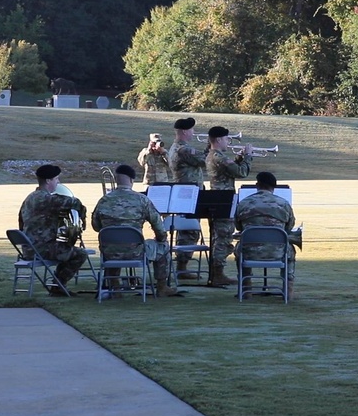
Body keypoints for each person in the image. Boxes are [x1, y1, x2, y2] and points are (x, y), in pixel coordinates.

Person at [91, 164, 179, 297]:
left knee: (115, 246)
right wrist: (161, 239)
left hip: (109, 252)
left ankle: (114, 286)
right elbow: (159, 227)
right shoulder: (142, 200)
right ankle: (162, 287)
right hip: (136, 252)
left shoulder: (104, 201)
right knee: (163, 247)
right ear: (132, 180)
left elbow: (96, 226)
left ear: (116, 180)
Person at [18, 164, 90, 296]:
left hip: (29, 248)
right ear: (48, 181)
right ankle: (58, 285)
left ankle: (57, 284)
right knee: (80, 254)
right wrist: (82, 215)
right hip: (42, 249)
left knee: (67, 248)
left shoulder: (30, 198)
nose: (58, 182)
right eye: (56, 179)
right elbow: (74, 202)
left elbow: (21, 223)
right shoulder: (46, 199)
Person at [235, 171, 297, 298]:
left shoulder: (244, 203)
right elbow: (289, 228)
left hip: (249, 252)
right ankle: (288, 288)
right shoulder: (283, 204)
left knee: (238, 248)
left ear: (257, 185)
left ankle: (246, 287)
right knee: (291, 250)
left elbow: (238, 226)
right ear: (274, 187)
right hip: (278, 252)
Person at [205, 126, 253, 286]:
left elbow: (231, 171)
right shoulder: (219, 157)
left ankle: (217, 273)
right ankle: (218, 274)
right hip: (223, 200)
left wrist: (238, 158)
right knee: (223, 238)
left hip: (220, 198)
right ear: (218, 140)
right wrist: (247, 157)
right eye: (226, 139)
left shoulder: (214, 156)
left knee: (221, 236)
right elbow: (241, 173)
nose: (228, 142)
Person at [167, 117, 206, 279]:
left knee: (187, 229)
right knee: (189, 230)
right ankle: (182, 266)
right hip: (188, 194)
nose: (193, 133)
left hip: (185, 192)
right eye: (191, 130)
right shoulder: (183, 149)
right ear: (184, 131)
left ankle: (182, 265)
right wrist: (213, 146)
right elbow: (204, 160)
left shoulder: (175, 147)